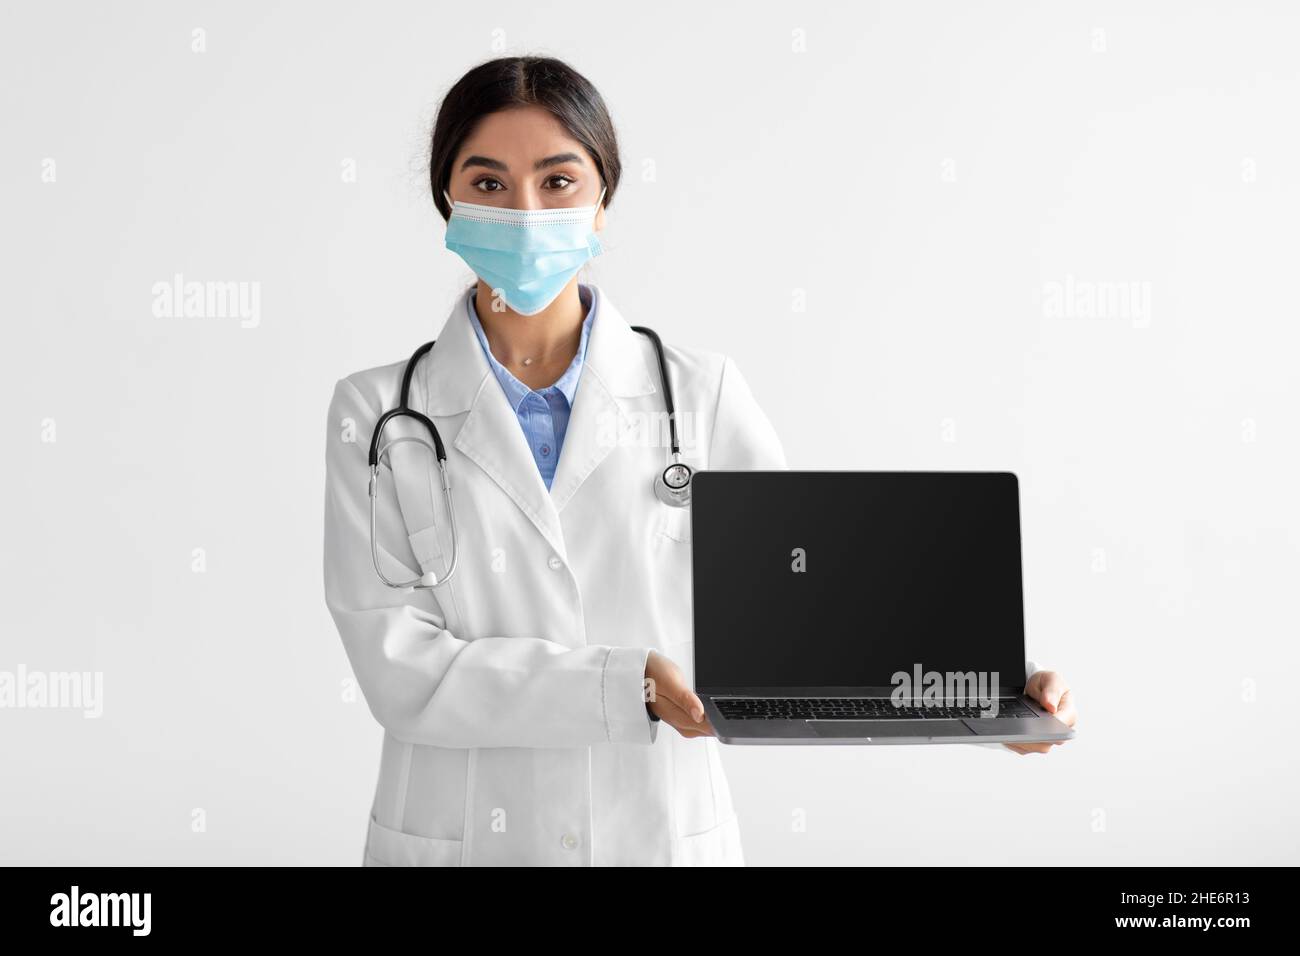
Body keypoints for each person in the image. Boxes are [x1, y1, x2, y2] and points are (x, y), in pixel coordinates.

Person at [323, 56, 1076, 867]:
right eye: (491, 183)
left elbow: (810, 604)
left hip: (657, 830)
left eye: (558, 181)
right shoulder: (377, 415)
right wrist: (625, 685)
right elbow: (402, 670)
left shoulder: (699, 394)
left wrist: (991, 689)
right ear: (448, 201)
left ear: (603, 201)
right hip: (462, 838)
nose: (527, 213)